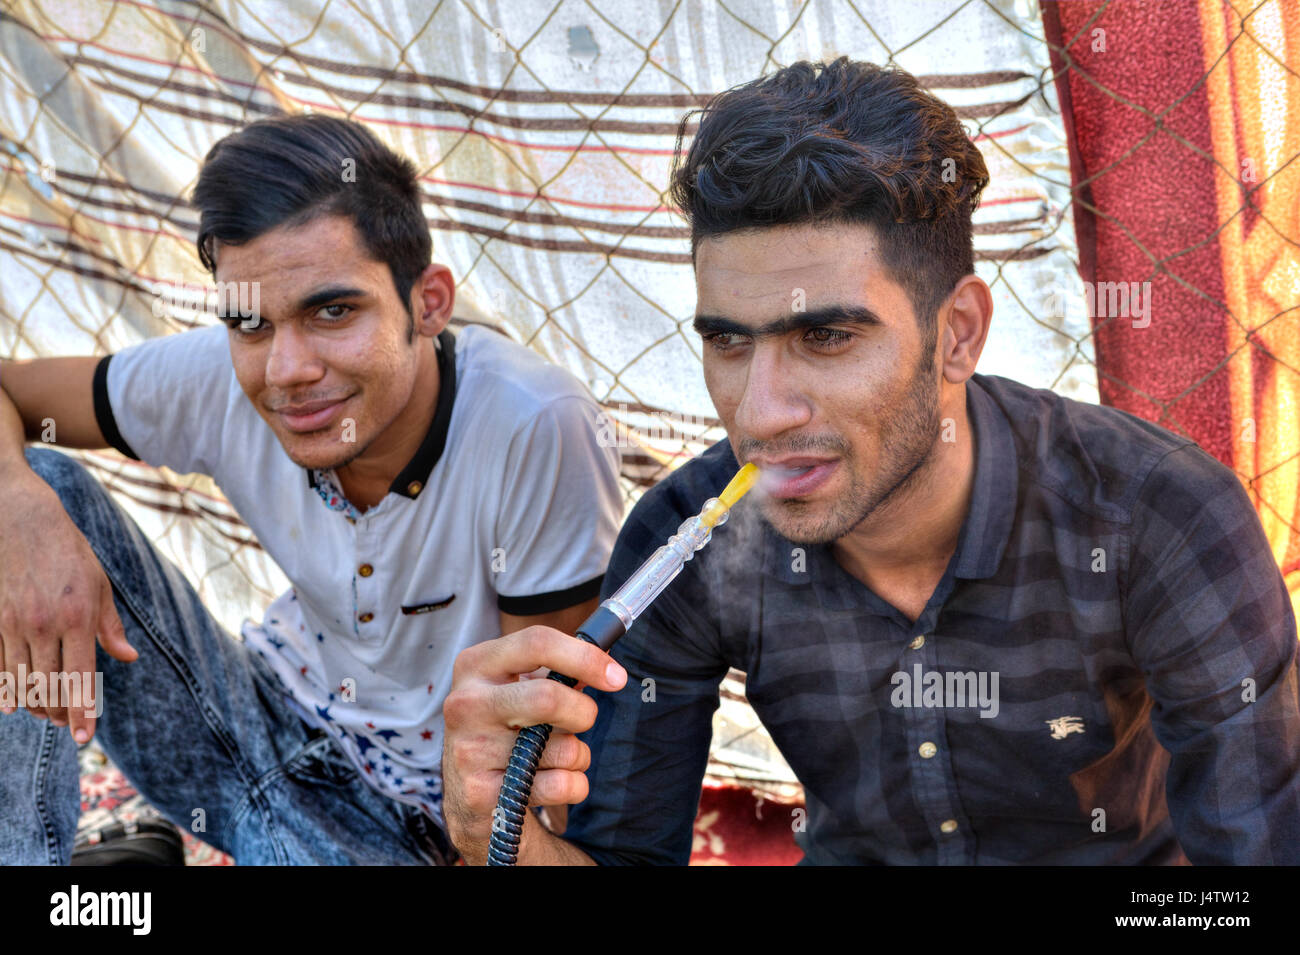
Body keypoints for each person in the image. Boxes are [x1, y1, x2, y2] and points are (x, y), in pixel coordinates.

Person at [440, 58, 1300, 865]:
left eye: (826, 337)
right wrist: (501, 840)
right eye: (730, 342)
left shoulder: (1159, 517)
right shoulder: (685, 541)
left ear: (955, 333)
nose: (761, 412)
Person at [0, 114, 623, 865]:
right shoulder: (223, 374)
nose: (287, 369)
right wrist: (19, 503)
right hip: (246, 717)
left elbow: (546, 730)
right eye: (249, 323)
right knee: (39, 491)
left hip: (414, 826)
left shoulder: (534, 426)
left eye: (333, 311)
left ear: (428, 302)